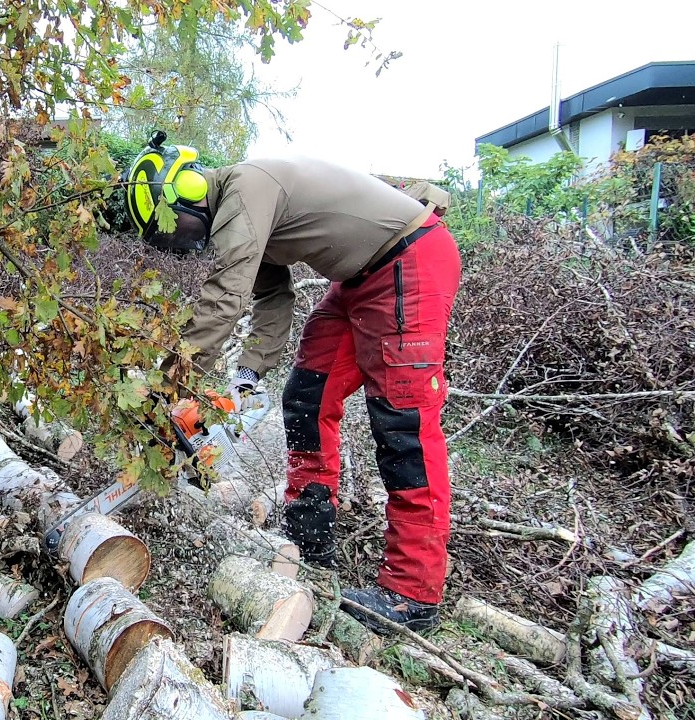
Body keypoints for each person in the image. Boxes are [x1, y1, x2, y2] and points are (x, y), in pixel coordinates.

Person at [125, 136, 461, 631]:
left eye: (173, 228)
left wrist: (167, 389)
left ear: (188, 193)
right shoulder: (245, 213)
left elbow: (224, 299)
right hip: (357, 280)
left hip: (408, 261)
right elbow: (273, 298)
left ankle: (413, 592)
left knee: (403, 423)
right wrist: (247, 377)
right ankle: (310, 531)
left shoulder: (245, 189)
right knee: (307, 394)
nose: (178, 241)